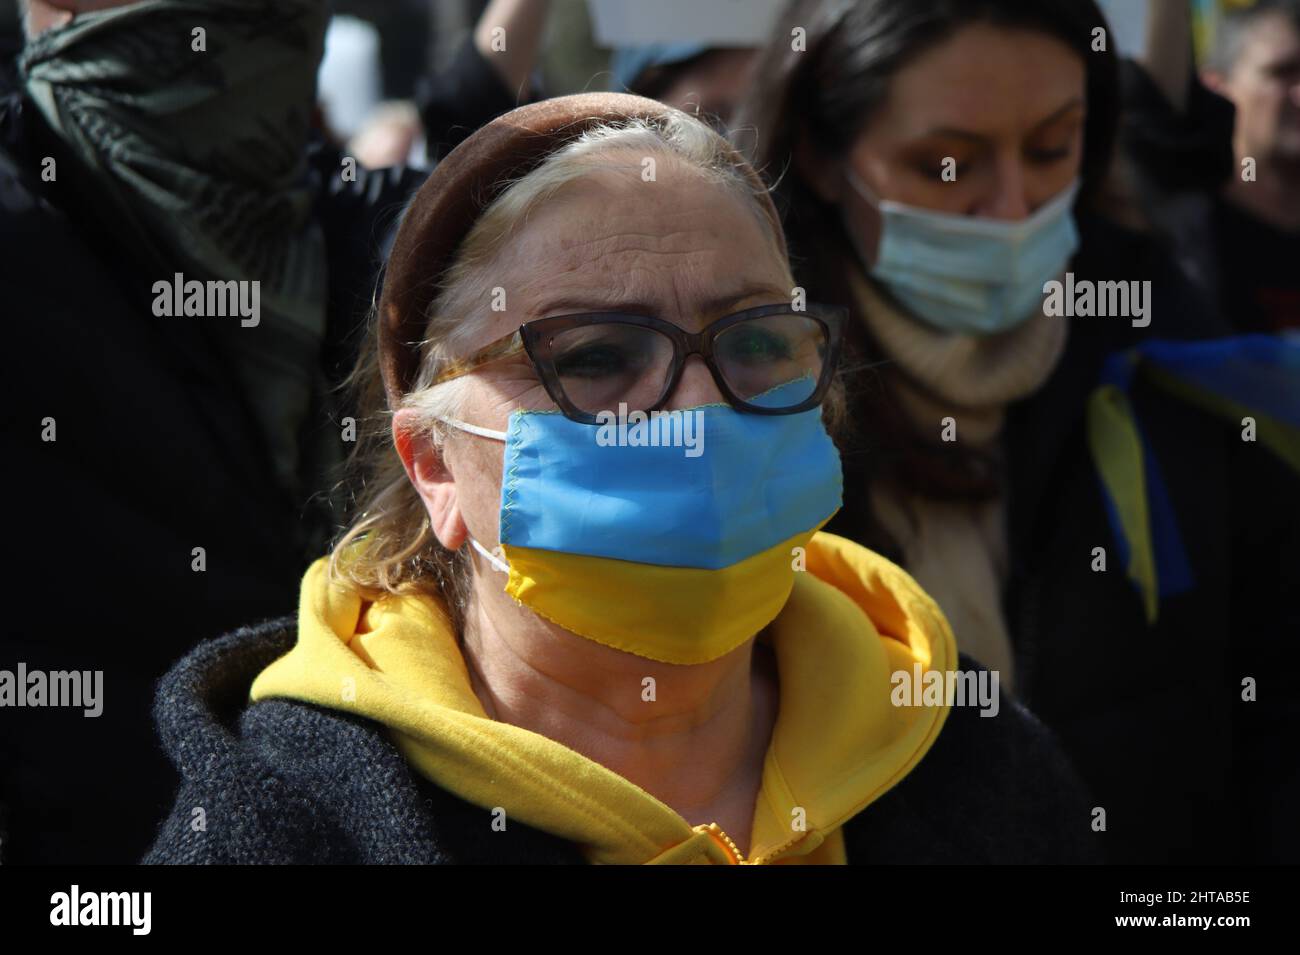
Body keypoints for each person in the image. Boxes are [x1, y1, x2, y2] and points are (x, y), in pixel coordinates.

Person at [144, 93, 1097, 865]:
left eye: (757, 340)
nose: (696, 411)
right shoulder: (286, 827)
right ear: (434, 464)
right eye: (595, 356)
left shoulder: (968, 754)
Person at [735, 0, 1300, 862]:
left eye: (1050, 149)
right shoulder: (736, 405)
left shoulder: (1179, 360)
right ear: (819, 154)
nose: (1011, 208)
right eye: (947, 165)